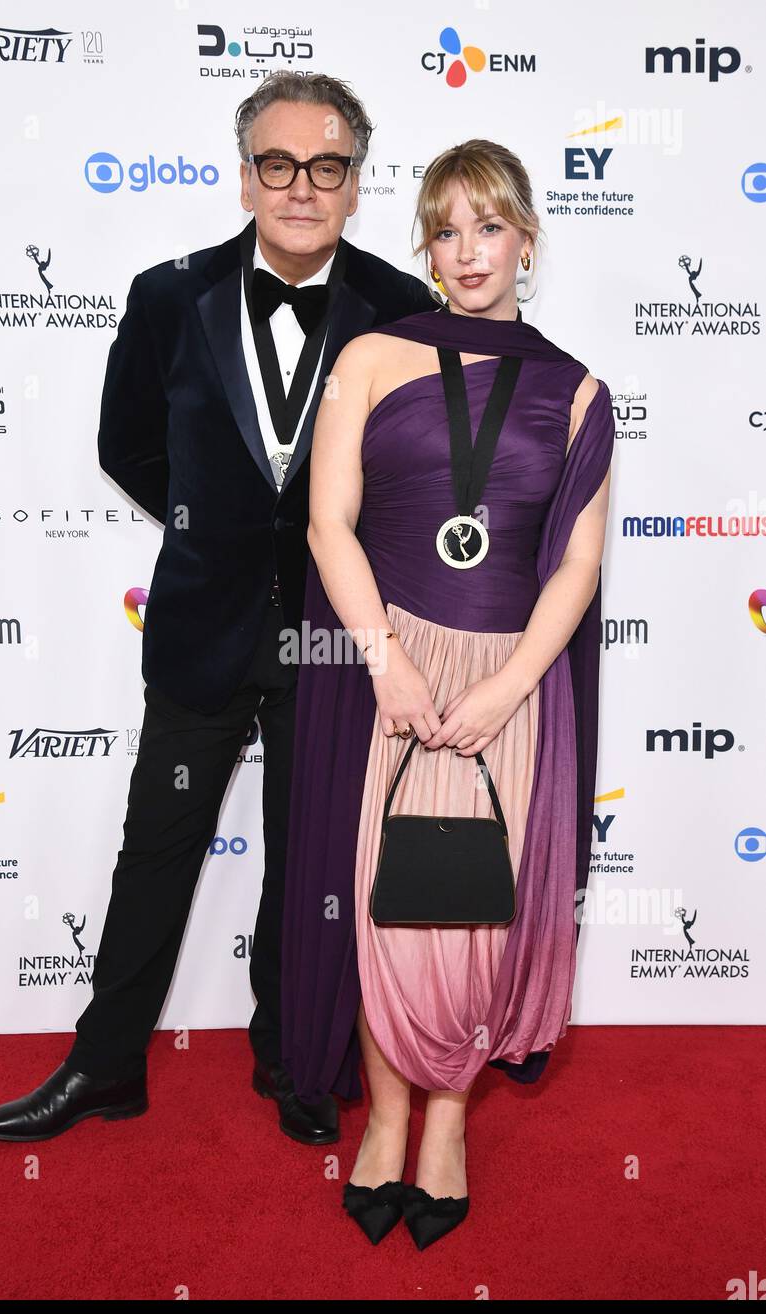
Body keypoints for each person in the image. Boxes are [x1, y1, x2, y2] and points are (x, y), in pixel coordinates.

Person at [0, 72, 435, 1146]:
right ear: (244, 176)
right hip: (200, 623)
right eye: (277, 164)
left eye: (326, 167)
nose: (300, 187)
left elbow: (413, 479)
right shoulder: (165, 295)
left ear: (357, 183)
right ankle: (104, 1065)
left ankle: (296, 1056)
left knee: (312, 856)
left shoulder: (404, 311)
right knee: (157, 848)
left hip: (333, 635)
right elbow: (125, 444)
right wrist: (205, 526)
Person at [279, 138, 614, 1247]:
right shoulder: (370, 354)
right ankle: (382, 1118)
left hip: (510, 681)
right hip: (390, 662)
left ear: (526, 235)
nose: (467, 251)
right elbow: (329, 521)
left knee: (477, 917)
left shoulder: (576, 389)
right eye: (444, 227)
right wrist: (385, 659)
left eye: (489, 225)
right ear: (422, 243)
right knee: (389, 904)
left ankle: (447, 1124)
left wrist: (513, 684)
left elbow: (575, 562)